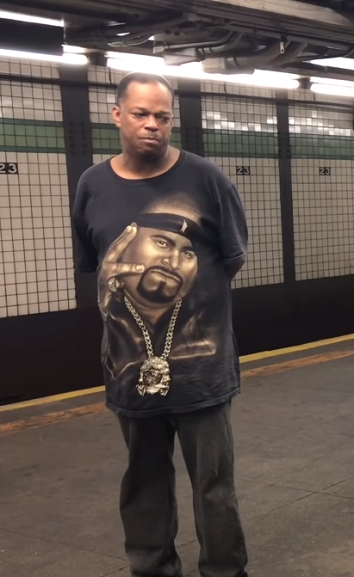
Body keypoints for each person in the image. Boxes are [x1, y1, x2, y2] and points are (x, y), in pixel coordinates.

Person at [71, 71, 251, 577]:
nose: (152, 125)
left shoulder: (207, 179)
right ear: (117, 116)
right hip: (127, 371)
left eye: (162, 117)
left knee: (214, 487)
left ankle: (225, 570)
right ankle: (151, 568)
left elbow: (231, 259)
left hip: (204, 374)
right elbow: (96, 259)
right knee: (143, 482)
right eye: (141, 114)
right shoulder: (93, 185)